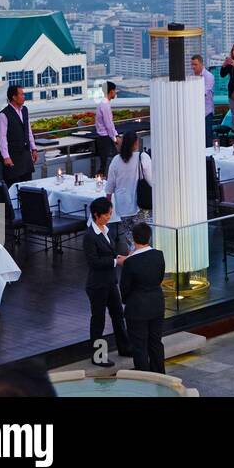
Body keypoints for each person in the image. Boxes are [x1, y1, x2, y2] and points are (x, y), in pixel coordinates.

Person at [82, 197, 131, 368]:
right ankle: (98, 356)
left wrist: (118, 257)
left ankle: (124, 347)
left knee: (118, 315)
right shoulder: (90, 236)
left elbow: (108, 254)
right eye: (107, 214)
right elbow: (94, 262)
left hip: (110, 282)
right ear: (97, 215)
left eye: (110, 213)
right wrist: (116, 261)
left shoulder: (106, 230)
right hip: (97, 285)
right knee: (99, 320)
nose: (109, 217)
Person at [119, 222, 166, 373]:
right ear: (149, 237)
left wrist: (128, 301)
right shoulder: (159, 255)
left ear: (134, 239)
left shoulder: (130, 262)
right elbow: (159, 278)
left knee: (139, 347)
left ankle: (144, 380)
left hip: (137, 308)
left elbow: (124, 288)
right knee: (155, 343)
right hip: (157, 305)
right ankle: (160, 376)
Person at [105, 131, 152, 252]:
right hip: (140, 204)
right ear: (136, 143)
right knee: (142, 237)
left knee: (129, 237)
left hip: (123, 205)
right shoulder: (142, 157)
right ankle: (142, 256)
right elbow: (151, 180)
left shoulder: (116, 160)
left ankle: (132, 255)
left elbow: (110, 184)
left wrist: (108, 204)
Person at [0, 84, 37, 185]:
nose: (24, 96)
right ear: (14, 97)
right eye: (21, 94)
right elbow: (2, 137)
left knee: (28, 187)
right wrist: (6, 157)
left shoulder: (25, 110)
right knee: (13, 188)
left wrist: (34, 148)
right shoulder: (4, 114)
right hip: (13, 157)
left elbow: (28, 130)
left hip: (26, 156)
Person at [191, 54, 216, 145]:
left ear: (201, 64)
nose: (193, 67)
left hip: (206, 112)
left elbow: (203, 93)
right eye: (192, 64)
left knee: (207, 136)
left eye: (195, 64)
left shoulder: (209, 76)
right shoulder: (191, 76)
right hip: (195, 112)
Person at [94, 81, 120, 169]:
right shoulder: (105, 105)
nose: (115, 92)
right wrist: (115, 138)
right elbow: (109, 125)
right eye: (115, 90)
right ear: (111, 91)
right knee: (109, 164)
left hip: (103, 138)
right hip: (105, 139)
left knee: (105, 164)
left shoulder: (103, 104)